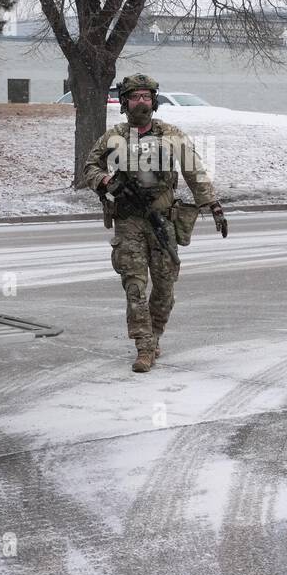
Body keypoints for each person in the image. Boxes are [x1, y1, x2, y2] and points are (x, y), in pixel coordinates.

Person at [82, 73, 228, 373]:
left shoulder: (170, 134)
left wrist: (212, 205)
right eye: (135, 97)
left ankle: (156, 334)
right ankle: (144, 347)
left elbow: (194, 170)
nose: (141, 102)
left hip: (163, 221)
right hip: (129, 223)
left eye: (146, 97)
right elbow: (90, 167)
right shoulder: (115, 137)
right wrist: (107, 181)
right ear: (125, 103)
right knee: (135, 287)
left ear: (154, 101)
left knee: (164, 289)